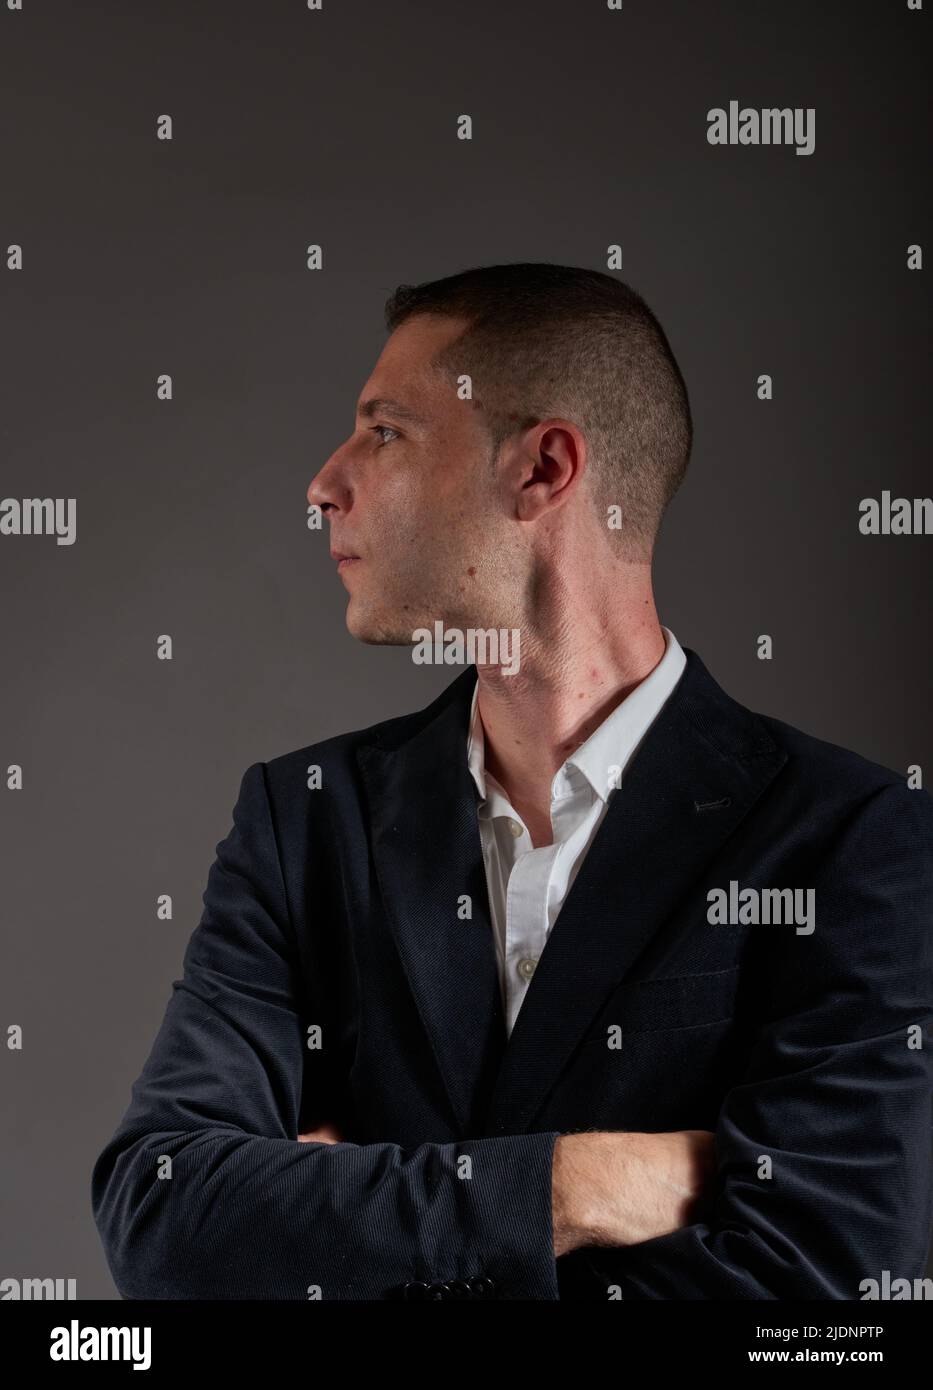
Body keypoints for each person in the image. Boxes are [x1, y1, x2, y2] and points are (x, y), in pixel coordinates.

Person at [92, 263, 933, 1300]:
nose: (325, 483)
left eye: (385, 432)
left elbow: (816, 1296)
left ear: (541, 470)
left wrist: (335, 1215)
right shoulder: (303, 821)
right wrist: (577, 1183)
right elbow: (161, 1213)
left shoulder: (852, 838)